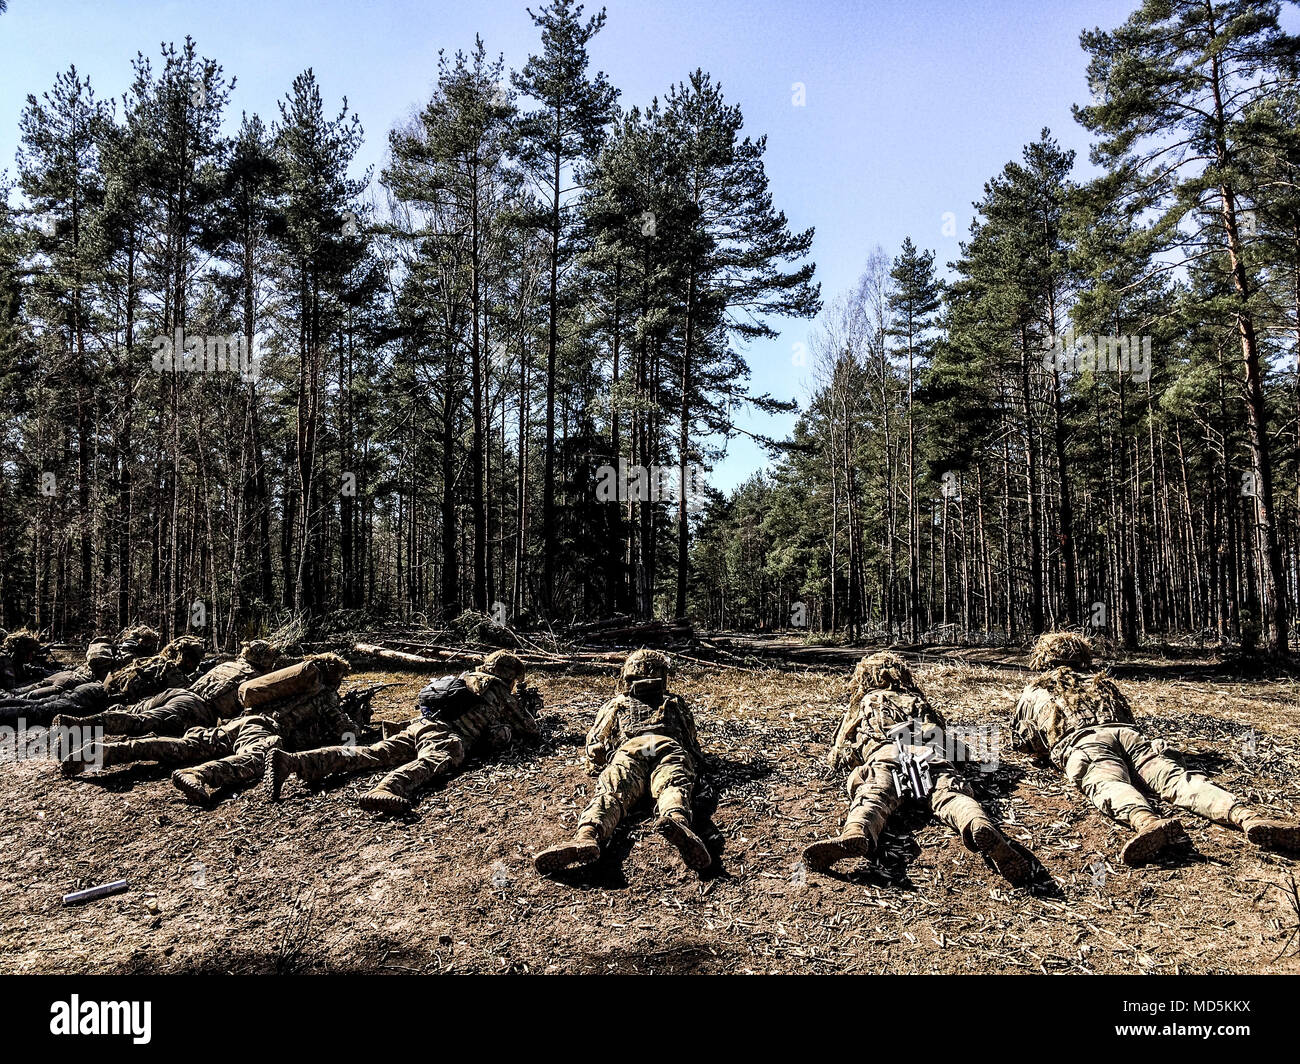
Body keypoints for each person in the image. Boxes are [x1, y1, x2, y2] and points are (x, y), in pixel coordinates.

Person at [1014, 632, 1300, 864]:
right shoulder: (1102, 683)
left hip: (1084, 742)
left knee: (1108, 783)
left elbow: (1026, 739)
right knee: (1178, 780)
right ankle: (1247, 817)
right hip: (1130, 737)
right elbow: (1128, 719)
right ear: (1083, 656)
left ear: (1044, 658)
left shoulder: (1037, 690)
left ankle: (1147, 822)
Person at [801, 651, 1030, 883]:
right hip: (928, 754)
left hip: (887, 754)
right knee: (951, 796)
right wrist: (962, 756)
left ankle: (857, 831)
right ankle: (975, 822)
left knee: (873, 795)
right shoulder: (917, 702)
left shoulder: (865, 703)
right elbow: (948, 743)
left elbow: (843, 751)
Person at [265, 649, 539, 815]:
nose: (515, 685)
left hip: (420, 725)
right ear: (507, 674)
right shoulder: (496, 687)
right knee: (437, 759)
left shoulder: (468, 677)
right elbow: (529, 728)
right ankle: (388, 787)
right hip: (443, 734)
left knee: (369, 753)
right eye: (515, 679)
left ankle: (293, 761)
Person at [65, 654, 361, 806]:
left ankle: (100, 753)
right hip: (263, 729)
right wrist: (356, 722)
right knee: (257, 759)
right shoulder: (325, 695)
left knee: (181, 747)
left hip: (237, 723)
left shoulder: (284, 679)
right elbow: (345, 732)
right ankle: (199, 775)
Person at [534, 649, 711, 875]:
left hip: (631, 750)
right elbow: (690, 740)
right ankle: (677, 820)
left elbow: (594, 743)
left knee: (611, 793)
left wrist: (599, 758)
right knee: (672, 784)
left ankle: (587, 835)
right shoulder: (675, 702)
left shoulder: (618, 703)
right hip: (667, 747)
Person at [55, 640, 280, 743]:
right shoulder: (256, 679)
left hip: (178, 694)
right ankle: (83, 727)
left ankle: (84, 722)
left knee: (131, 711)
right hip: (196, 707)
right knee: (140, 722)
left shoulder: (227, 665)